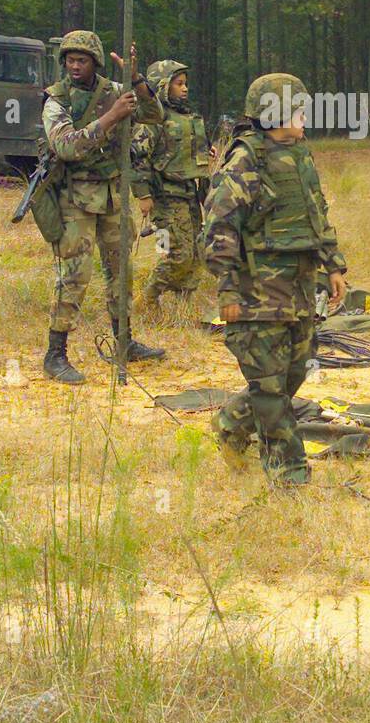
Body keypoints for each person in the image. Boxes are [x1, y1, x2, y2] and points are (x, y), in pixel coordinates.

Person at [202, 73, 347, 485]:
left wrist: (333, 265)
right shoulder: (246, 161)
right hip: (256, 294)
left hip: (299, 289)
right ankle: (289, 475)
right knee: (269, 389)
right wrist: (228, 290)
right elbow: (219, 231)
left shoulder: (301, 157)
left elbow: (317, 214)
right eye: (298, 112)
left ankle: (231, 422)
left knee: (291, 376)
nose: (304, 120)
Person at [41, 30, 166, 383]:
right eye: (70, 60)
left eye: (82, 60)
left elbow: (154, 115)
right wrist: (111, 117)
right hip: (74, 198)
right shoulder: (57, 100)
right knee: (74, 276)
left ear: (94, 62)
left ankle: (123, 342)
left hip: (112, 194)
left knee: (120, 272)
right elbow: (66, 146)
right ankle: (55, 354)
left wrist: (137, 80)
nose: (75, 66)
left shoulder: (114, 90)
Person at [132, 60, 210, 314]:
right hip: (165, 195)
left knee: (196, 251)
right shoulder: (154, 120)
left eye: (186, 84)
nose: (185, 89)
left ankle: (182, 307)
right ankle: (149, 299)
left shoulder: (186, 116)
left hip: (189, 193)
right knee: (177, 253)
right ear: (163, 87)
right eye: (179, 84)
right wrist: (143, 195)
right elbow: (138, 157)